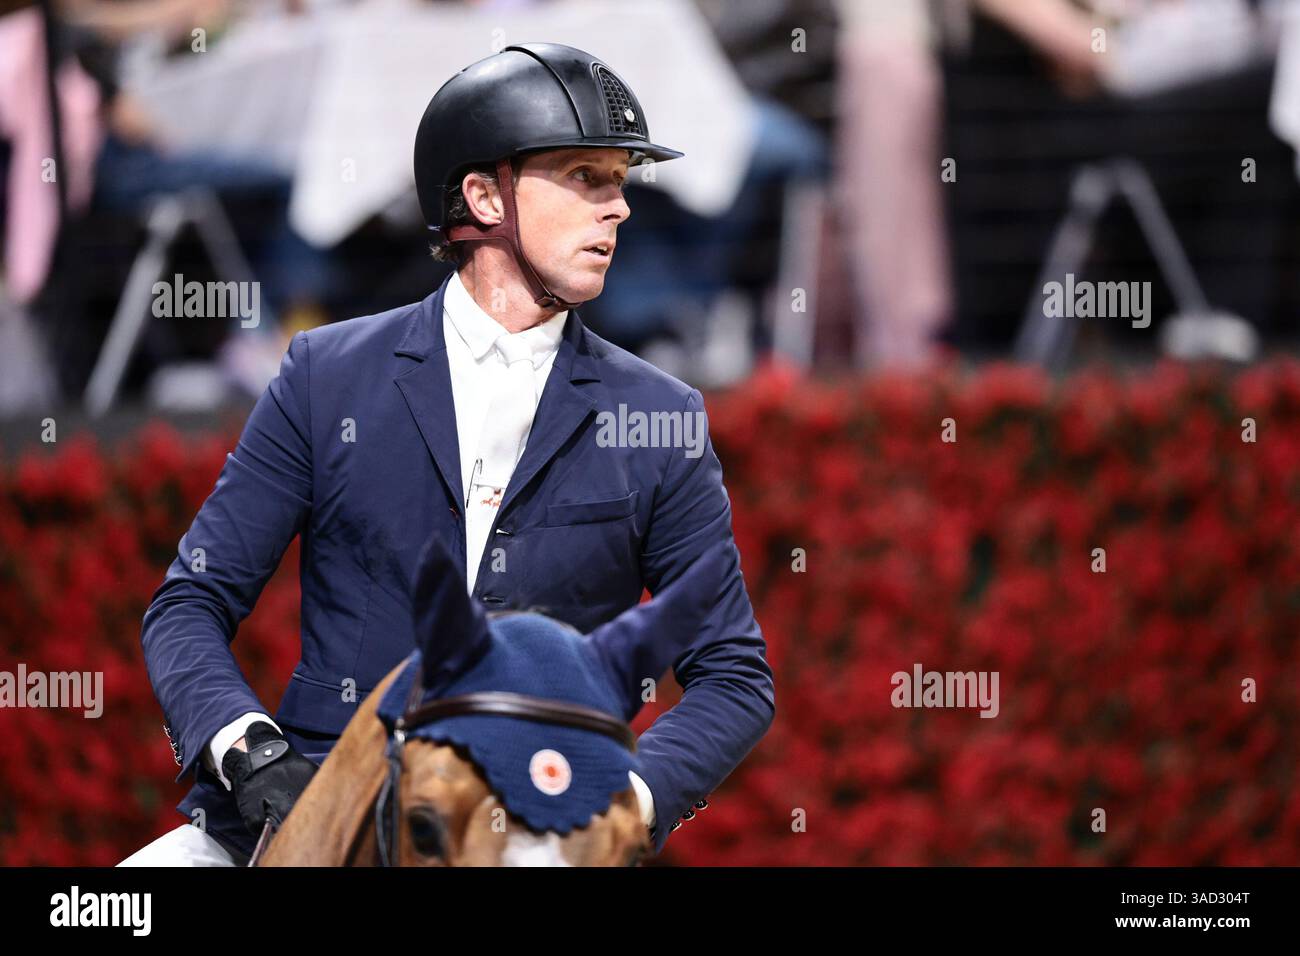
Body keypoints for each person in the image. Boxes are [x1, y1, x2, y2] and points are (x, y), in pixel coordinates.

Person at [118, 42, 775, 865]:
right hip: (318, 802)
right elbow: (191, 603)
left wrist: (619, 803)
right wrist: (246, 747)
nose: (620, 208)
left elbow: (733, 676)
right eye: (585, 178)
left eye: (620, 180)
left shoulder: (660, 415)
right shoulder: (326, 375)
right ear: (481, 196)